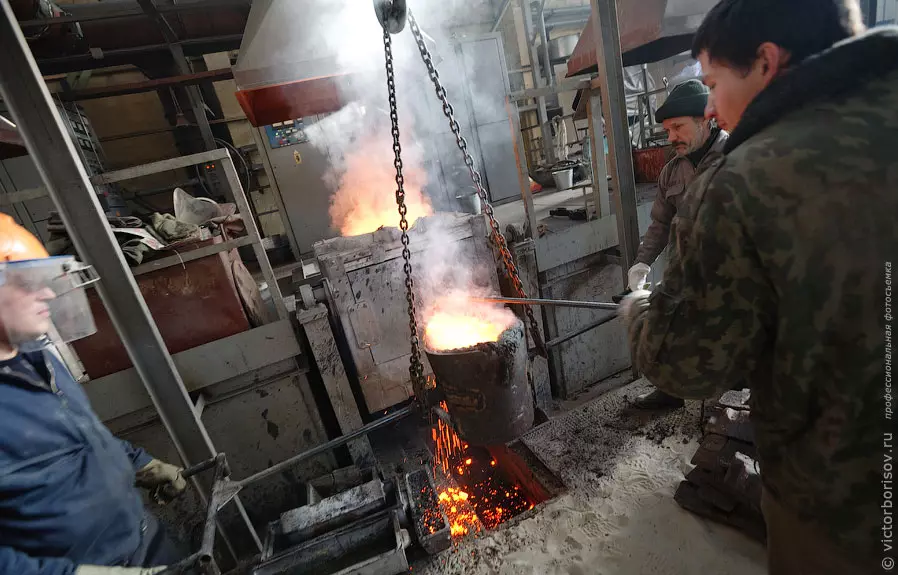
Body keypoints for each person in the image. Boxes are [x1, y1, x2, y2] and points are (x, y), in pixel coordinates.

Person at [622, 0, 895, 573]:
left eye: (715, 82)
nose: (717, 107)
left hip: (845, 503)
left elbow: (684, 364)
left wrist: (642, 313)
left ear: (767, 62)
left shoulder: (743, 178)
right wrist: (644, 267)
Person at [0, 214, 187, 575]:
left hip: (143, 542)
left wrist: (139, 463)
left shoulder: (36, 358)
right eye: (27, 282)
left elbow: (79, 438)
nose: (49, 293)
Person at [626, 79, 728, 409]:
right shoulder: (671, 172)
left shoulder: (735, 158)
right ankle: (670, 392)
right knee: (670, 325)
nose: (671, 138)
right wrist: (642, 262)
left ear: (706, 120)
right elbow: (659, 222)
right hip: (682, 270)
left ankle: (729, 409)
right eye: (667, 130)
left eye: (678, 128)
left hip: (727, 272)